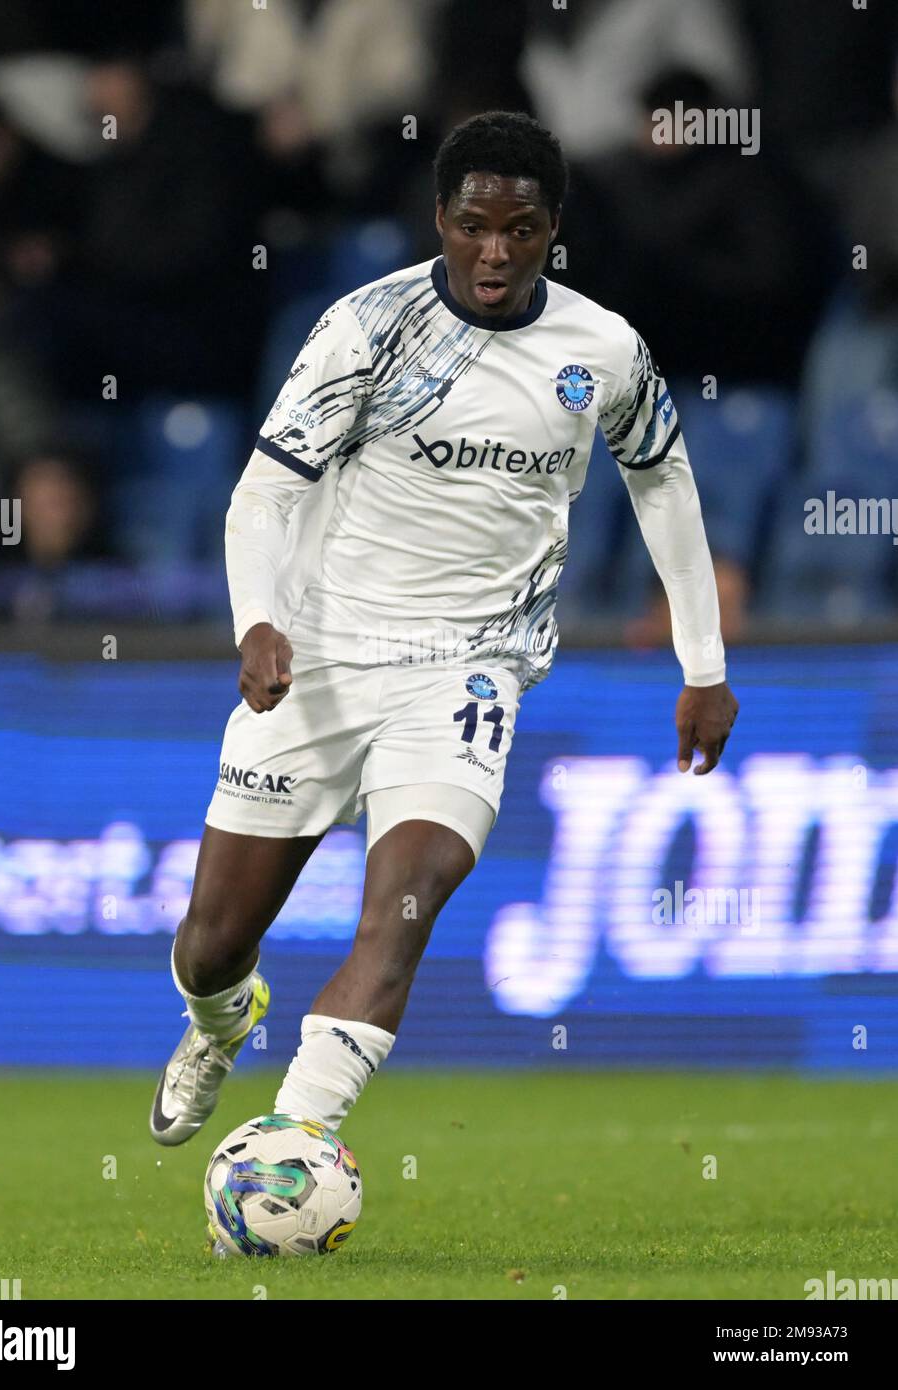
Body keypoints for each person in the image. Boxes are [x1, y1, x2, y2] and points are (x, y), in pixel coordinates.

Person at [149, 110, 739, 1148]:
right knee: (209, 941)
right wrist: (257, 623)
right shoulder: (363, 328)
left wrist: (702, 664)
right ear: (439, 219)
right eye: (473, 225)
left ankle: (292, 1145)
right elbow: (262, 496)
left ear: (552, 228)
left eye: (519, 228)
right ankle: (221, 1018)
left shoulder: (601, 349)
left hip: (468, 672)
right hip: (317, 659)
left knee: (403, 907)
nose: (494, 251)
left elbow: (665, 488)